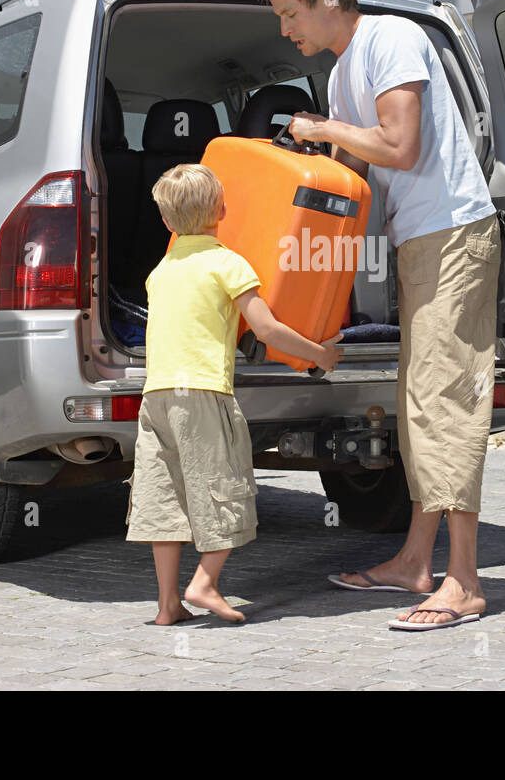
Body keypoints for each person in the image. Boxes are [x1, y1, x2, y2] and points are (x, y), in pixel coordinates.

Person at [261, 0, 500, 631]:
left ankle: (465, 581)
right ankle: (414, 562)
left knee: (444, 397)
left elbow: (402, 148)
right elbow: (348, 185)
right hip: (416, 242)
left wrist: (326, 129)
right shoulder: (340, 79)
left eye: (290, 13)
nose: (285, 30)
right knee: (416, 399)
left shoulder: (393, 37)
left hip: (455, 232)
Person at [125, 163, 343, 625]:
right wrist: (318, 355)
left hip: (156, 396)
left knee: (167, 497)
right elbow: (267, 330)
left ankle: (167, 605)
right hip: (204, 394)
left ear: (165, 222)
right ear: (223, 210)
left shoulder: (160, 271)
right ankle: (204, 582)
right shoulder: (227, 263)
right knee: (223, 487)